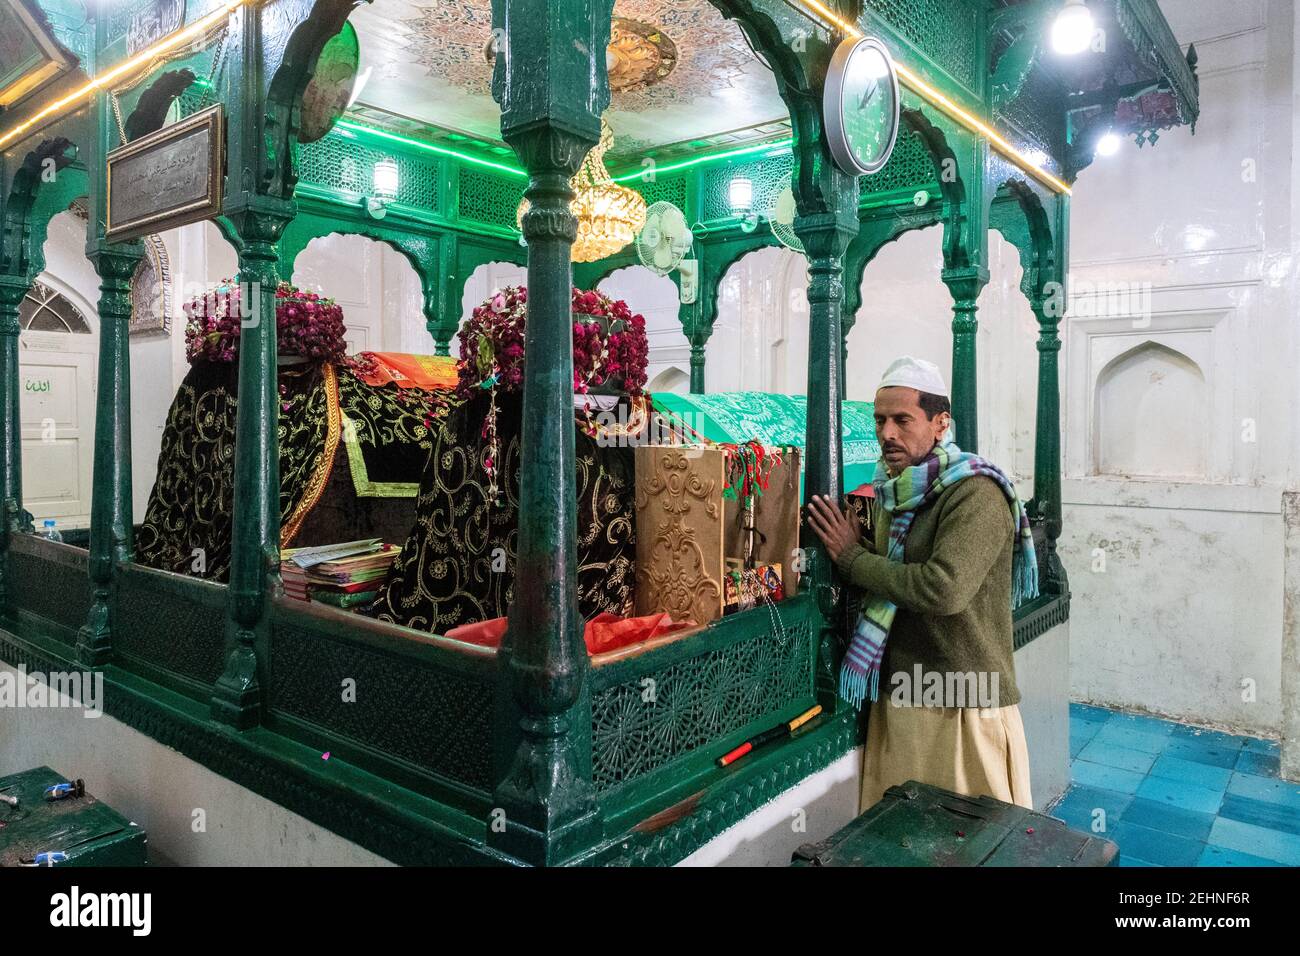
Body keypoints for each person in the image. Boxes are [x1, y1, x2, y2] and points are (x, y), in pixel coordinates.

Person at [805, 356, 1038, 812]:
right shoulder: (896, 489)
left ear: (940, 422)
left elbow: (942, 589)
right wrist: (861, 551)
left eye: (901, 420)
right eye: (879, 420)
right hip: (903, 694)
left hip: (963, 703)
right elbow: (898, 578)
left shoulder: (976, 492)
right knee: (901, 841)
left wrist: (853, 558)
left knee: (972, 841)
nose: (887, 433)